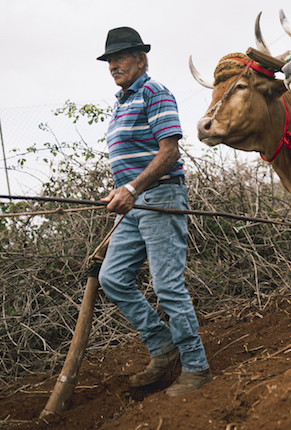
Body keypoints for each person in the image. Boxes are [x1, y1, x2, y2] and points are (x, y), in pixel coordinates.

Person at [96, 27, 212, 397]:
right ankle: (164, 348)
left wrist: (131, 188)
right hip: (132, 205)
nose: (113, 65)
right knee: (112, 278)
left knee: (166, 286)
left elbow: (169, 152)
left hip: (160, 197)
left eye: (120, 57)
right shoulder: (120, 102)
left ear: (140, 59)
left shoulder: (154, 93)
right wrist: (123, 191)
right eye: (109, 60)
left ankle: (196, 367)